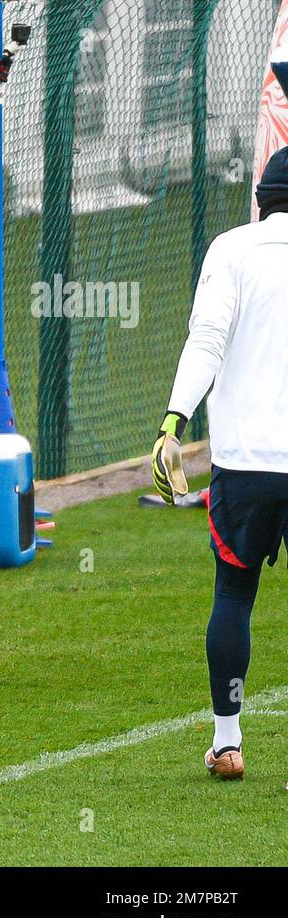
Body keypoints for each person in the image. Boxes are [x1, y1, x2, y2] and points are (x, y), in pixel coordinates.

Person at [152, 145, 288, 781]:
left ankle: (227, 740)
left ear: (260, 202)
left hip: (244, 461)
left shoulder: (231, 251)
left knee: (233, 594)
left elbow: (205, 340)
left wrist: (173, 424)